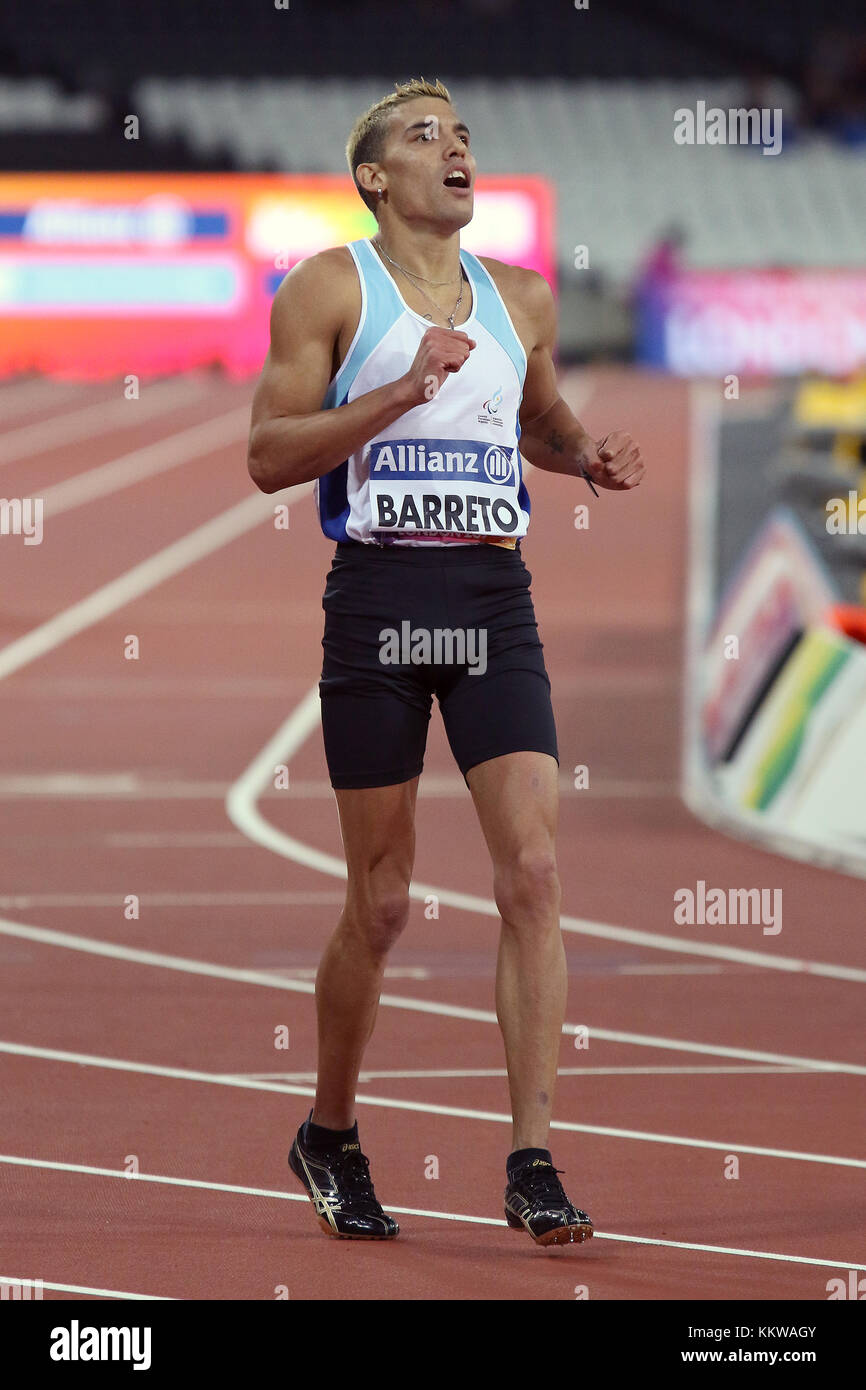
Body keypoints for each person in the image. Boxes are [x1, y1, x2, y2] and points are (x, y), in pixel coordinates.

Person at [247, 78, 645, 1246]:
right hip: (377, 598)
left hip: (488, 596)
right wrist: (396, 390)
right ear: (374, 175)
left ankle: (530, 1160)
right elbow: (268, 453)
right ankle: (328, 1131)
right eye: (425, 135)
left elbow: (537, 417)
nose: (454, 146)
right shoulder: (329, 287)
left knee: (531, 874)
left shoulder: (518, 297)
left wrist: (583, 458)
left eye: (463, 132)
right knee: (380, 903)